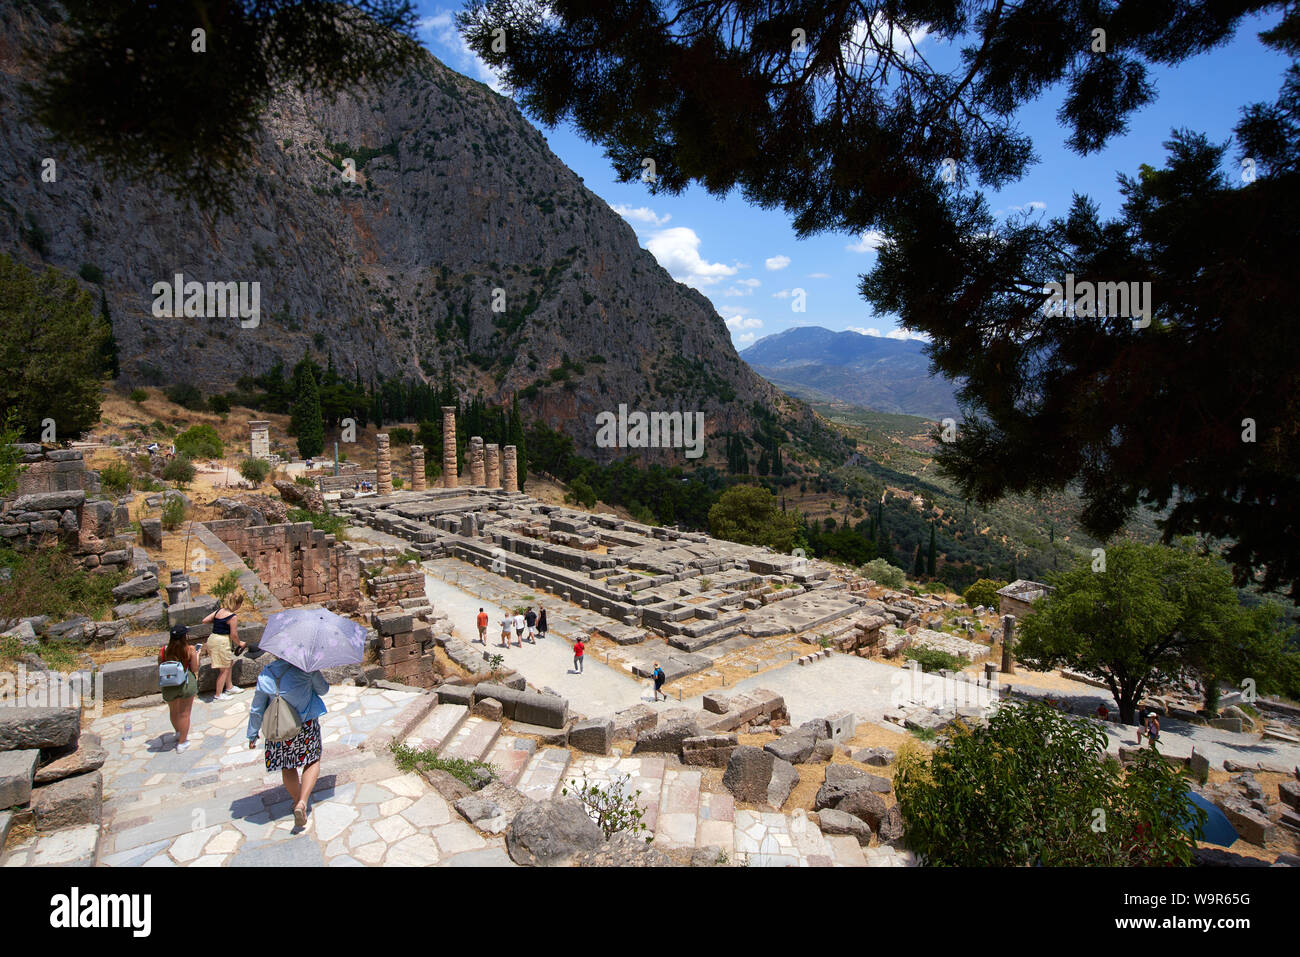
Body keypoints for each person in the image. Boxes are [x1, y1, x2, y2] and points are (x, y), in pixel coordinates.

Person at [247, 656, 329, 829]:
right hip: (305, 725)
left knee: (287, 766)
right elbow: (323, 690)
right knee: (312, 760)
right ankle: (303, 802)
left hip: (279, 728)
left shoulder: (265, 675)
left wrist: (252, 733)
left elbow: (257, 708)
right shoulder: (306, 670)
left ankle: (295, 799)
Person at [157, 625, 200, 751]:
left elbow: (160, 666)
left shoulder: (164, 650)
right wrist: (197, 655)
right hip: (186, 683)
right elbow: (194, 668)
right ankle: (182, 742)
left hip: (169, 684)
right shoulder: (189, 649)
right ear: (184, 636)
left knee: (173, 711)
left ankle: (178, 732)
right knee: (185, 714)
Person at [202, 594, 246, 700]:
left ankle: (229, 687)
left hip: (212, 638)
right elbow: (233, 635)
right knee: (224, 670)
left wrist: (219, 623)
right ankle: (218, 694)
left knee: (228, 663)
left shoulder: (219, 611)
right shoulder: (232, 617)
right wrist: (240, 643)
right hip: (222, 642)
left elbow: (205, 620)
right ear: (237, 604)